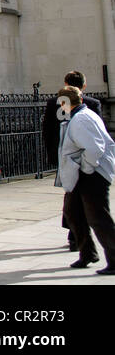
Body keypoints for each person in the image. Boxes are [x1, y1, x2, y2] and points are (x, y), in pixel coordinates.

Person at [56, 85, 115, 274]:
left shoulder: (82, 119)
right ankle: (87, 252)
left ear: (65, 103)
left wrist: (87, 168)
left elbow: (94, 149)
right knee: (73, 212)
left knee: (98, 217)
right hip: (82, 174)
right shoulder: (80, 116)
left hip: (91, 174)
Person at [42, 71, 104, 250]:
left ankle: (79, 239)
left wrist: (53, 155)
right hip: (83, 161)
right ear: (83, 86)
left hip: (70, 159)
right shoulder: (92, 105)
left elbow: (47, 131)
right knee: (74, 199)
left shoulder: (55, 104)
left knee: (74, 199)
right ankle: (80, 240)